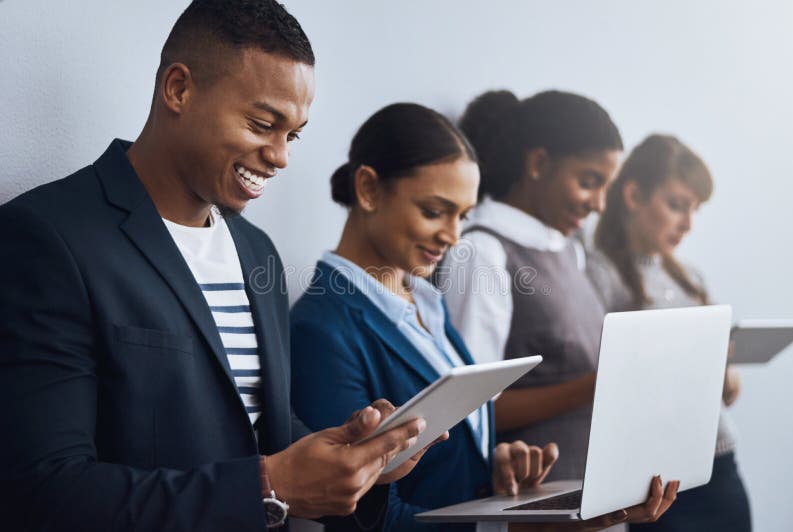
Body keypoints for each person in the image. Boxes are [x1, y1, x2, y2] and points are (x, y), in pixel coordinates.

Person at [0, 2, 431, 531]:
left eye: (292, 135)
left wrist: (354, 460)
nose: (281, 157)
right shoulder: (46, 237)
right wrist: (270, 486)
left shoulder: (257, 251)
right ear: (178, 90)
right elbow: (43, 491)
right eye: (261, 124)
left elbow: (259, 430)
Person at [291, 103, 678, 532]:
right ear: (368, 189)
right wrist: (527, 527)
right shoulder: (320, 328)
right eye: (434, 211)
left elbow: (440, 465)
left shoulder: (427, 303)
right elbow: (363, 519)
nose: (453, 237)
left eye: (463, 216)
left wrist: (493, 468)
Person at [439, 90, 622, 482]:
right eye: (589, 182)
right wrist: (595, 385)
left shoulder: (566, 249)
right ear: (538, 163)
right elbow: (470, 409)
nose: (599, 205)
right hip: (535, 500)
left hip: (594, 491)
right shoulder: (482, 251)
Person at [586, 134, 751, 532]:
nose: (688, 224)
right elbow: (605, 385)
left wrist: (724, 373)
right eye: (677, 205)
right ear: (633, 194)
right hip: (655, 487)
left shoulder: (689, 277)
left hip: (719, 465)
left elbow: (726, 393)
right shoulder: (596, 274)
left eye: (695, 209)